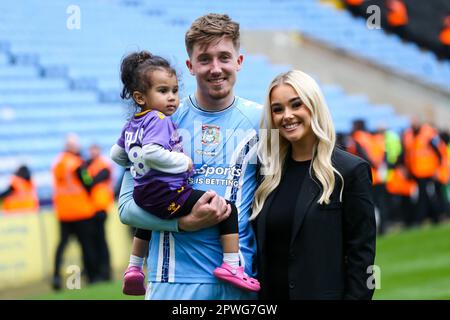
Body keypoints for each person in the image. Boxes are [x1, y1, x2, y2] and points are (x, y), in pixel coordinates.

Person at [115, 13, 262, 300]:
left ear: (239, 61)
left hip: (239, 283)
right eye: (205, 59)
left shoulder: (261, 119)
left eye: (224, 57)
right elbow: (125, 208)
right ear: (190, 66)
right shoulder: (160, 119)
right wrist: (181, 223)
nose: (215, 68)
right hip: (172, 283)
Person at [251, 70, 376, 300]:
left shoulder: (349, 171)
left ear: (314, 105)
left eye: (296, 105)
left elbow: (362, 258)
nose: (286, 116)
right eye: (277, 109)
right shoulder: (267, 173)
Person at [51, 133, 97, 290]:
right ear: (73, 147)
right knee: (86, 245)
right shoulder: (78, 163)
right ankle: (91, 277)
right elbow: (88, 182)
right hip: (81, 211)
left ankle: (56, 277)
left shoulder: (58, 162)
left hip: (63, 212)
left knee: (62, 244)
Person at [86, 143, 114, 282]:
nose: (92, 152)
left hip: (101, 207)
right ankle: (101, 272)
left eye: (94, 150)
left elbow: (91, 181)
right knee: (97, 241)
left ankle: (105, 272)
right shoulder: (91, 165)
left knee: (101, 241)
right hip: (93, 208)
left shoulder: (103, 164)